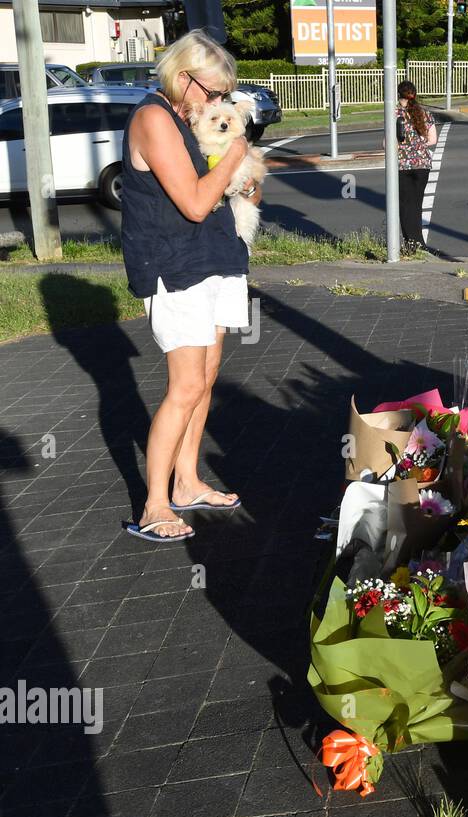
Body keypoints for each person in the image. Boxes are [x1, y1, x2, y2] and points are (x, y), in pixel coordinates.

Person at [120, 29, 260, 543]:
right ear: (183, 78)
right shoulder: (155, 118)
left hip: (217, 255)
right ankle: (154, 504)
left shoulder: (192, 115)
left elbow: (243, 185)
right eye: (212, 91)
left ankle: (188, 482)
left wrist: (245, 175)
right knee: (184, 387)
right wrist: (235, 153)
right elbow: (196, 203)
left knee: (205, 379)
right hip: (174, 264)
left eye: (225, 94)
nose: (219, 101)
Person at [395, 79, 437, 255]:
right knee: (416, 204)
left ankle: (412, 245)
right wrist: (419, 145)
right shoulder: (424, 113)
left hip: (403, 165)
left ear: (398, 95)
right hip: (422, 165)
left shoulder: (393, 114)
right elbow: (433, 140)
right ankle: (419, 243)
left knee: (404, 206)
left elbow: (387, 143)